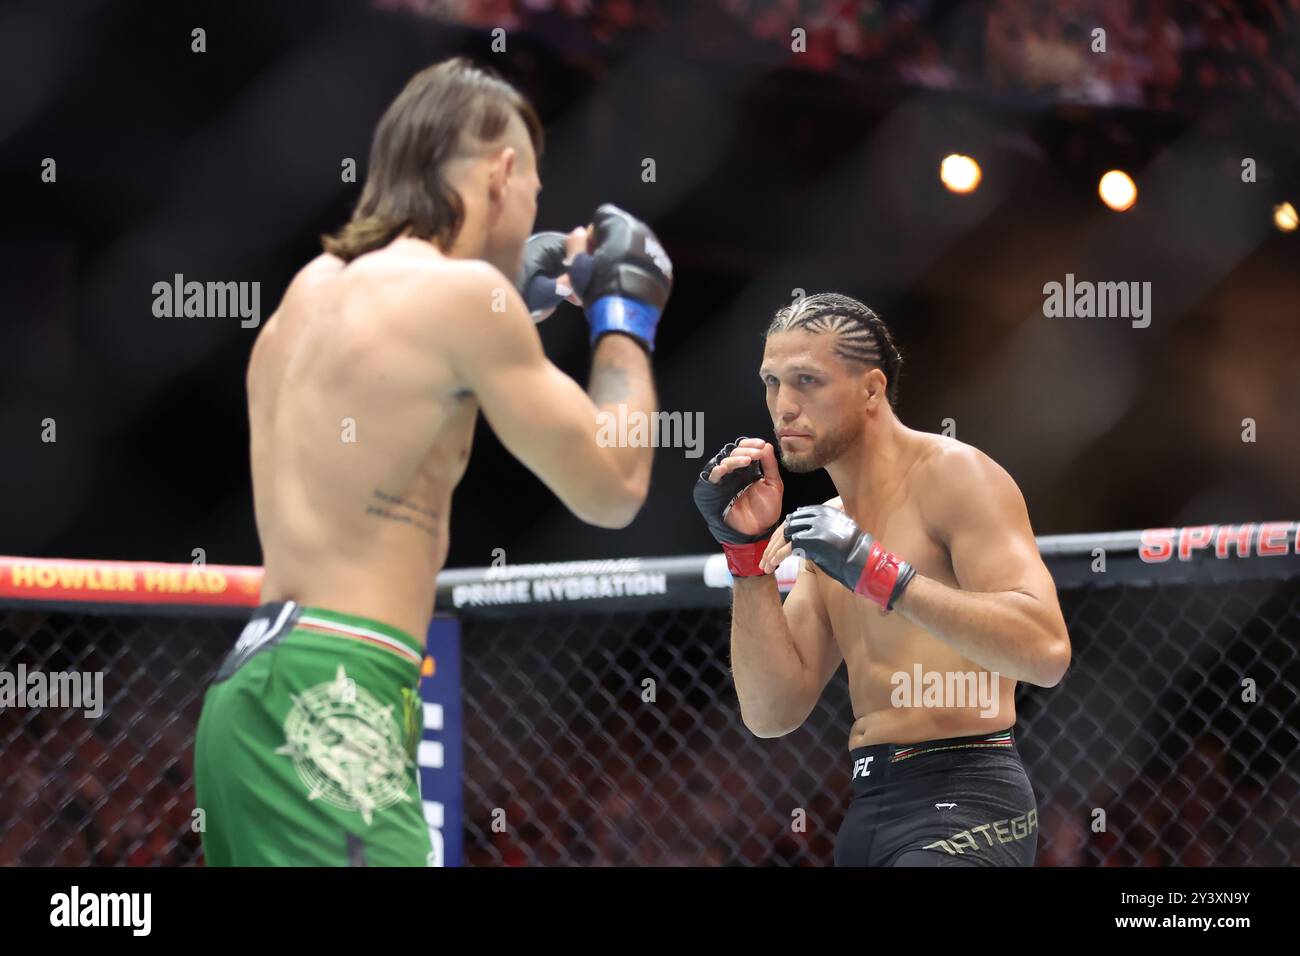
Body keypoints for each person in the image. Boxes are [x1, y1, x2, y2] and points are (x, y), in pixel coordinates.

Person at [194, 57, 672, 866]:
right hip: (335, 693)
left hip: (250, 693)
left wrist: (511, 295)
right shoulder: (461, 302)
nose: (534, 209)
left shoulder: (306, 296)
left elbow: (401, 376)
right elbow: (615, 487)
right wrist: (626, 314)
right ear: (502, 171)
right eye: (532, 185)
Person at [693, 292, 1068, 866]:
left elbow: (1045, 651)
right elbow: (772, 713)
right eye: (771, 381)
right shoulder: (831, 530)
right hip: (869, 807)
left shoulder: (953, 475)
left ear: (871, 389)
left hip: (968, 800)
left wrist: (883, 574)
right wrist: (743, 557)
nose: (783, 405)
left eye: (807, 381)